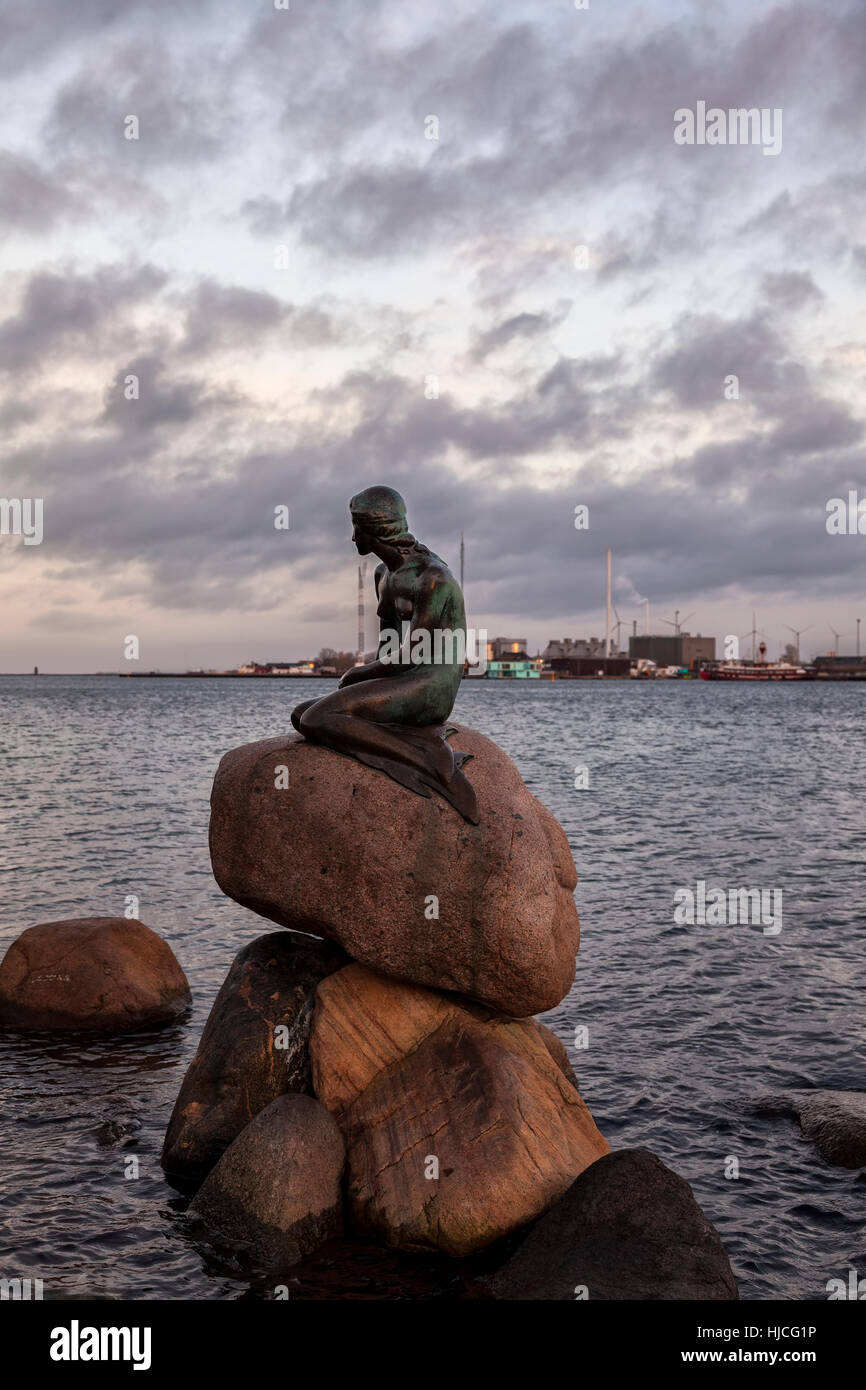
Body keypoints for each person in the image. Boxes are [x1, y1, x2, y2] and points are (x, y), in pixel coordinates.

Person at [291, 485, 478, 822]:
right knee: (302, 715)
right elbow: (390, 647)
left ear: (375, 529)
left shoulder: (433, 578)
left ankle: (430, 760)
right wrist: (364, 681)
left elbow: (415, 653)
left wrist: (356, 675)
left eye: (356, 527)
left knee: (317, 719)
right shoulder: (384, 575)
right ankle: (408, 742)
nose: (352, 537)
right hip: (407, 677)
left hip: (432, 684)